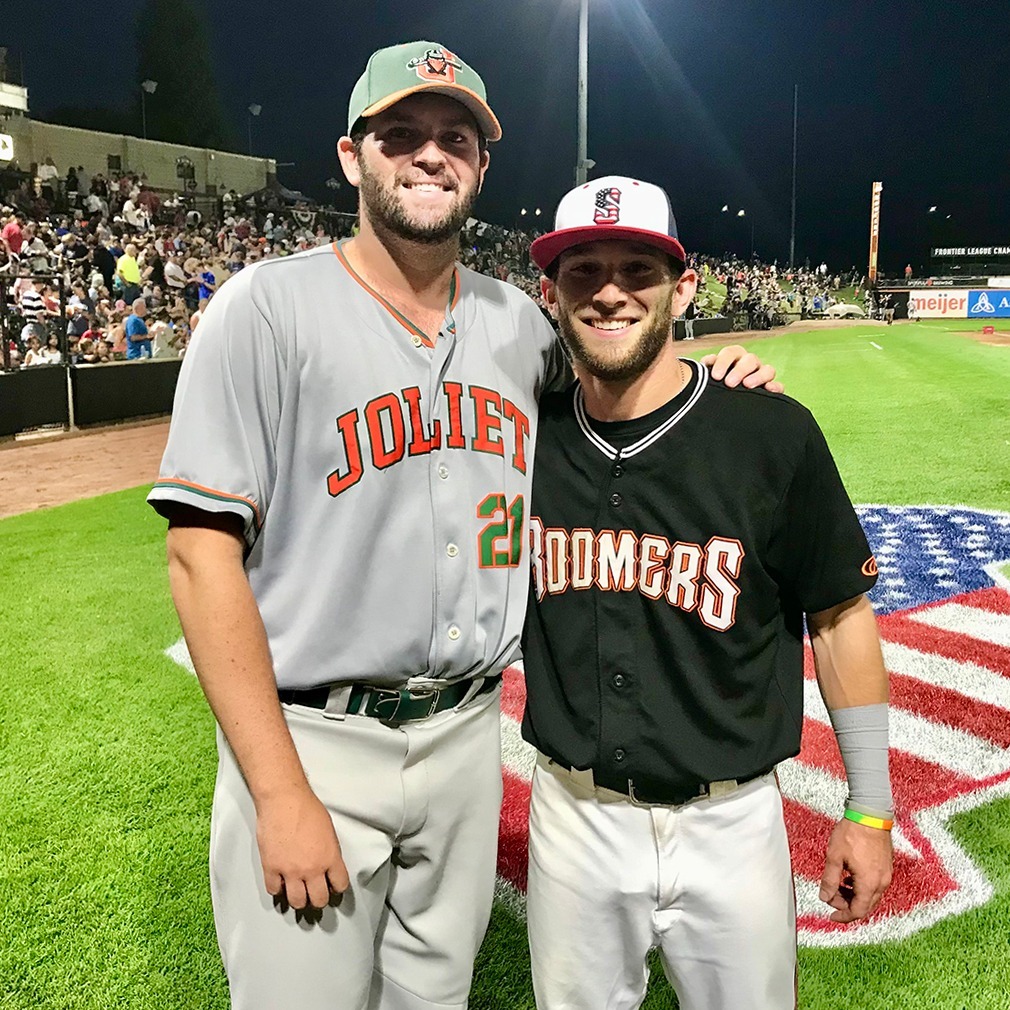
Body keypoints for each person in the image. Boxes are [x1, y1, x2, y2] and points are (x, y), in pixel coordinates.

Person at [147, 43, 779, 1010]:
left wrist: (717, 381)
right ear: (352, 158)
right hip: (316, 736)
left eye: (454, 138)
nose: (428, 155)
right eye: (399, 135)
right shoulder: (264, 312)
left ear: (482, 167)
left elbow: (629, 399)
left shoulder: (521, 327)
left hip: (468, 738)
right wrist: (277, 794)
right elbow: (199, 558)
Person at [520, 177, 893, 1010]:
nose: (610, 290)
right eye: (583, 270)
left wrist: (869, 809)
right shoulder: (522, 434)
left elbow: (838, 617)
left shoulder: (770, 432)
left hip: (732, 823)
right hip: (573, 819)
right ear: (551, 291)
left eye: (638, 269)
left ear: (683, 288)